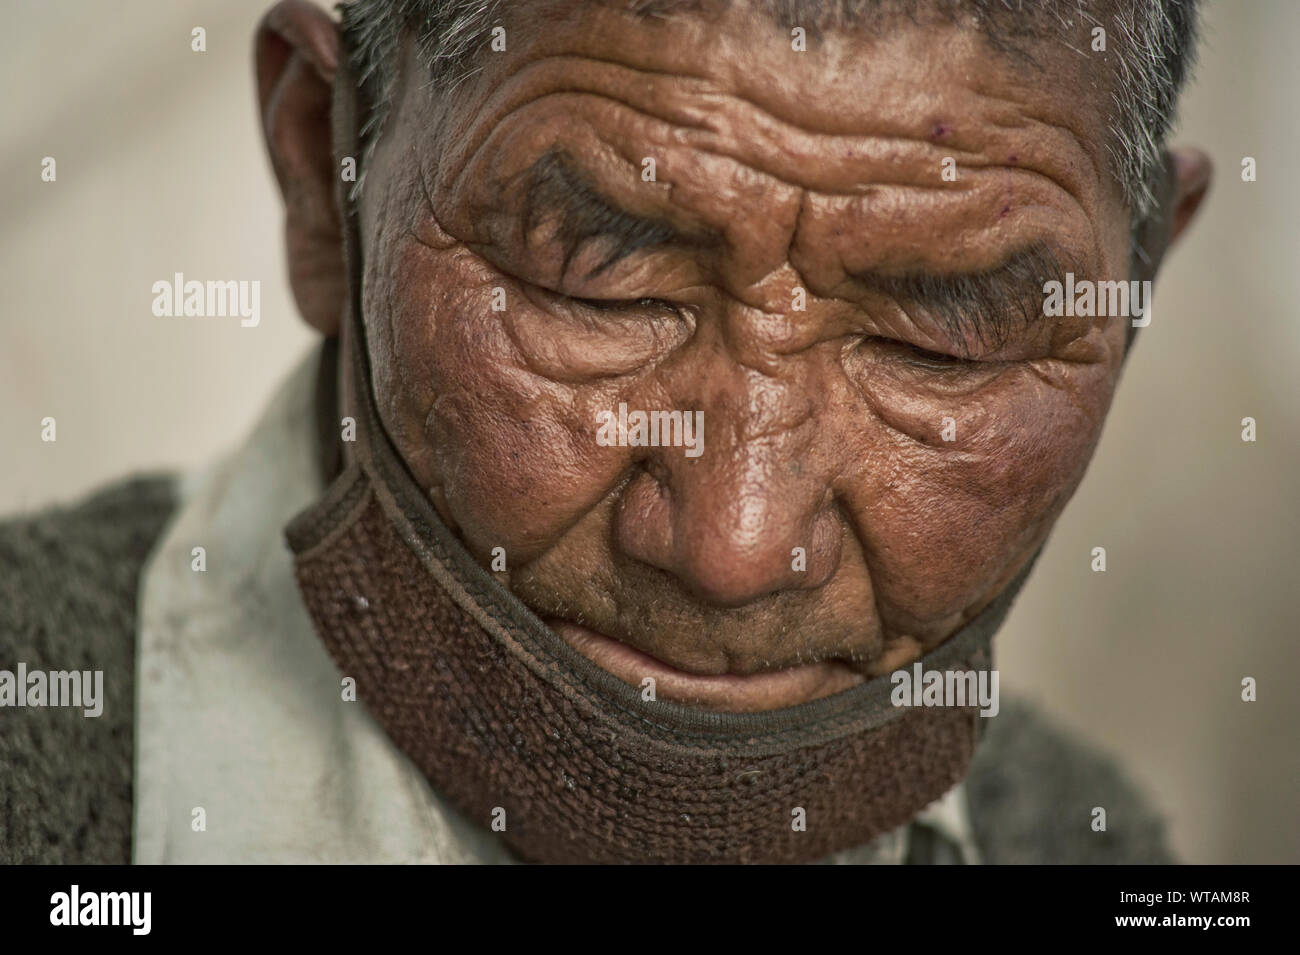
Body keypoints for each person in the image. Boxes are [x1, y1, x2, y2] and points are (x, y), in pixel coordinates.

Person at [1, 0, 1212, 864]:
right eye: (600, 286)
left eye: (939, 343)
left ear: (1136, 285)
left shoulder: (1083, 838)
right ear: (329, 171)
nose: (734, 544)